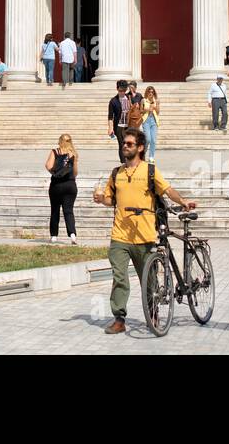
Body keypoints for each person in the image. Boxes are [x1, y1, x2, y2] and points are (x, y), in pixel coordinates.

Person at [93, 127, 196, 334]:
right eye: (124, 143)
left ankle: (153, 313)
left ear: (140, 147)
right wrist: (100, 199)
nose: (125, 146)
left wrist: (183, 201)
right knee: (119, 277)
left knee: (148, 280)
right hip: (120, 235)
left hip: (145, 235)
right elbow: (110, 200)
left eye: (129, 144)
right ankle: (119, 319)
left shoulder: (150, 170)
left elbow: (167, 190)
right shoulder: (117, 173)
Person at [45, 134, 79, 244]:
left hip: (56, 185)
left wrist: (56, 173)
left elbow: (48, 165)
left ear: (60, 141)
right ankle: (72, 235)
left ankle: (54, 236)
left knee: (55, 210)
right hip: (70, 185)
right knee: (68, 211)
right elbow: (75, 173)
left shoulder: (55, 152)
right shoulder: (73, 154)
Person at [106, 80, 132, 164]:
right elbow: (110, 117)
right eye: (121, 90)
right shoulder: (113, 101)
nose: (122, 92)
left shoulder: (129, 97)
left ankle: (129, 160)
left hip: (129, 125)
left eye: (124, 90)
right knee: (122, 145)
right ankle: (123, 163)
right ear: (117, 89)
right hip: (119, 126)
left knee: (129, 144)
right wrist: (110, 128)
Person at [141, 86, 160, 162]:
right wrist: (147, 109)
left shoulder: (156, 101)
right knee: (148, 139)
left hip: (154, 121)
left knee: (153, 140)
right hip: (146, 121)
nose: (151, 93)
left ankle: (151, 156)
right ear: (147, 92)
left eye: (152, 92)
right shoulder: (143, 100)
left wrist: (155, 107)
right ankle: (143, 153)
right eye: (149, 92)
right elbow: (140, 111)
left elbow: (158, 112)